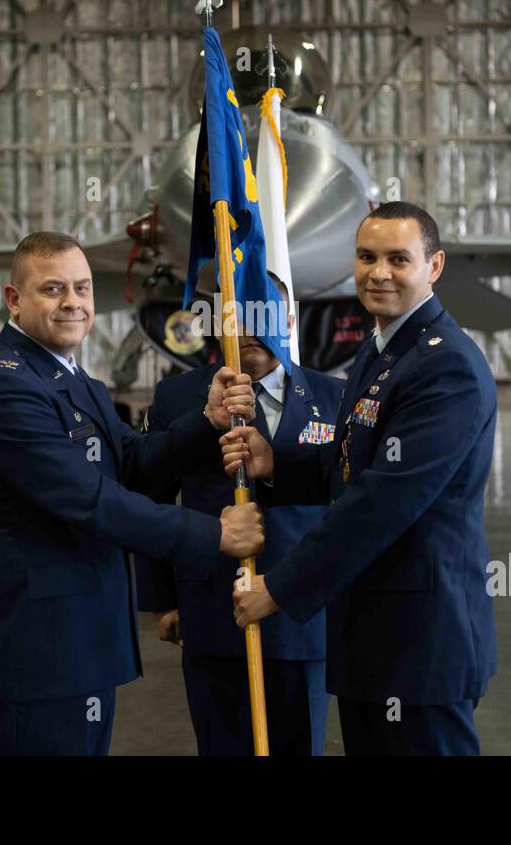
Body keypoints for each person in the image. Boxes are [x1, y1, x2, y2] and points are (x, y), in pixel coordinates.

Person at [0, 231, 263, 756]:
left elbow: (131, 465)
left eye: (82, 288)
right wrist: (213, 534)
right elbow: (93, 502)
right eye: (53, 289)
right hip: (38, 655)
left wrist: (207, 422)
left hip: (76, 646)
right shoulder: (6, 389)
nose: (72, 302)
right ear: (14, 299)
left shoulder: (68, 377)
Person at [223, 202, 498, 756]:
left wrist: (278, 588)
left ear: (434, 266)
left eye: (399, 259)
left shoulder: (446, 367)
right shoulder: (381, 353)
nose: (379, 272)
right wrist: (275, 462)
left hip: (421, 637)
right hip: (372, 633)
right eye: (367, 257)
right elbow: (353, 462)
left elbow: (383, 499)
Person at [134, 274, 343, 755]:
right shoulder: (180, 399)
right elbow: (152, 498)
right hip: (212, 613)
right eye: (235, 315)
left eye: (264, 314)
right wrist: (163, 600)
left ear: (289, 321)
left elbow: (350, 509)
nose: (248, 327)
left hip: (303, 619)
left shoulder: (335, 399)